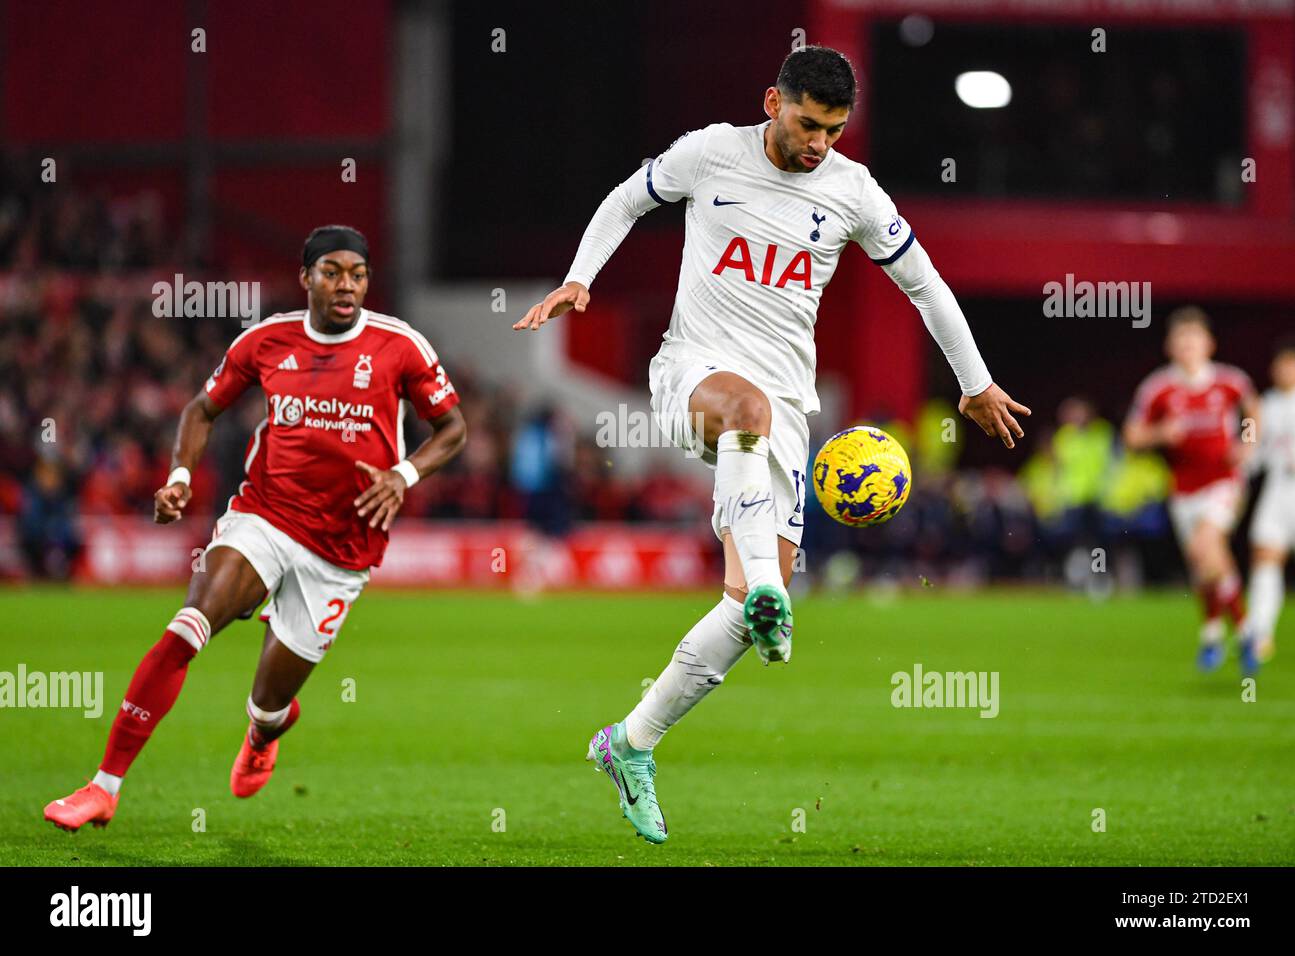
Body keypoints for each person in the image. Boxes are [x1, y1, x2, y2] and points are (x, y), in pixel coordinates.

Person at [515, 47, 1028, 843]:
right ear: (772, 102)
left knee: (738, 612)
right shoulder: (708, 151)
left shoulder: (854, 191)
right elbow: (625, 201)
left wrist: (973, 380)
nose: (818, 141)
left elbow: (926, 282)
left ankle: (630, 743)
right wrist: (583, 276)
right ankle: (771, 594)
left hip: (787, 411)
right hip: (695, 373)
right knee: (747, 423)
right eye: (806, 122)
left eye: (833, 128)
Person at [44, 225, 467, 831]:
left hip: (343, 551)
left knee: (268, 702)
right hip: (264, 517)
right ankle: (103, 787)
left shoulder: (400, 346)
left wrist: (403, 474)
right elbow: (200, 408)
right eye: (331, 272)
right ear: (306, 279)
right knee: (186, 629)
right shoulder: (266, 341)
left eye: (357, 274)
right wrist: (182, 476)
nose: (345, 285)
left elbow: (453, 430)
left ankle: (265, 729)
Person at [1123, 306, 1258, 673]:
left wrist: (1246, 444)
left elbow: (1252, 414)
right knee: (1204, 568)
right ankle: (1217, 633)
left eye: (1194, 340)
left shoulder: (1230, 381)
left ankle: (1244, 632)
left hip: (1223, 482)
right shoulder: (1158, 388)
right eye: (1181, 341)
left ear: (1209, 344)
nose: (1188, 348)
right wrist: (1159, 434)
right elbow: (1132, 436)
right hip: (1183, 488)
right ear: (1170, 346)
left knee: (1206, 546)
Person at [1240, 338, 1295, 670]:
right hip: (1278, 490)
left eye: (1292, 364)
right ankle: (1259, 633)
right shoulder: (1264, 405)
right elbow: (1253, 449)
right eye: (1280, 365)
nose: (1285, 371)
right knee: (1265, 557)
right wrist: (1241, 462)